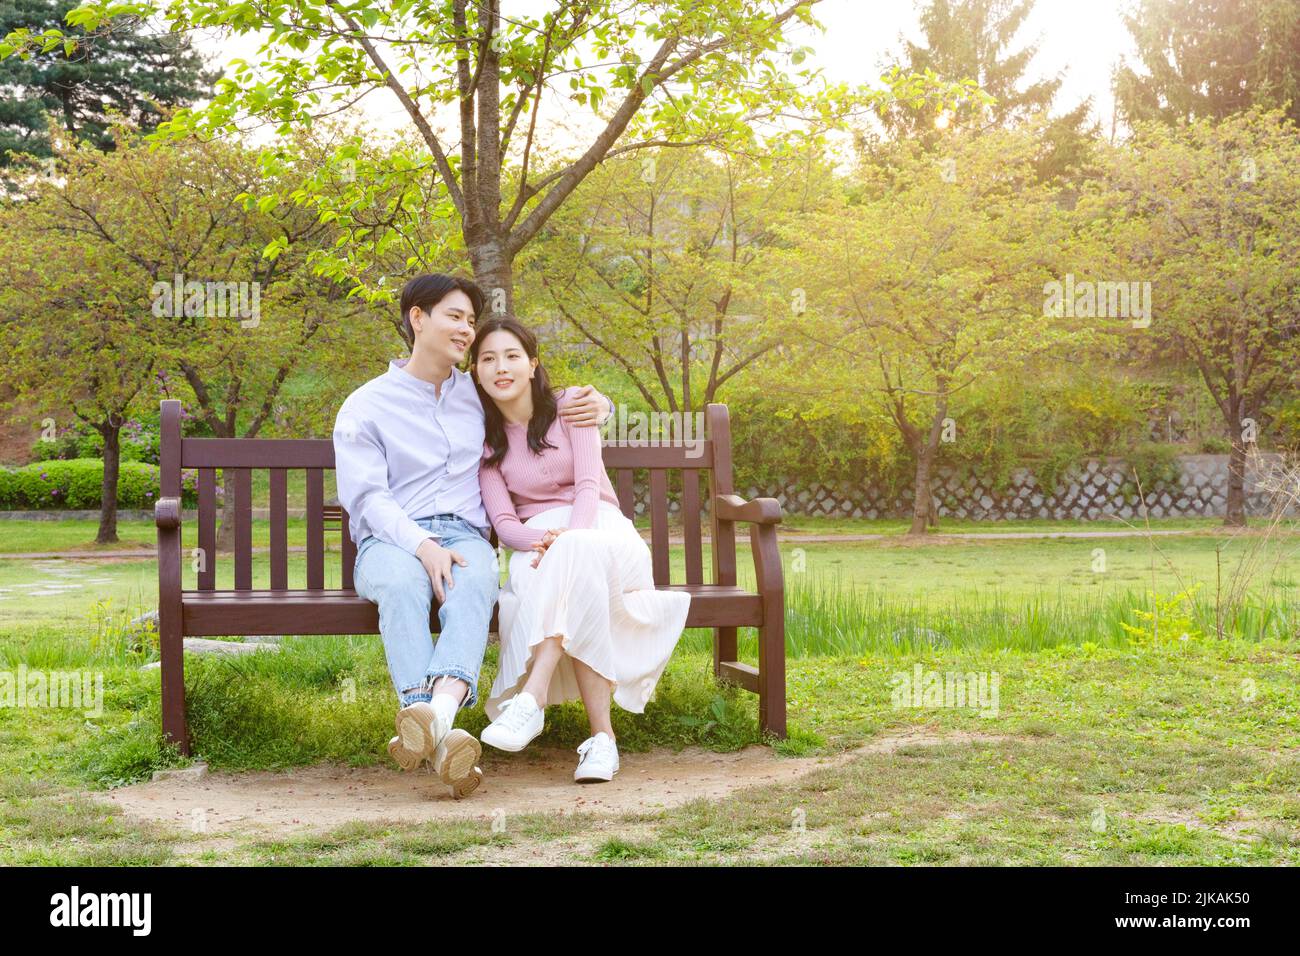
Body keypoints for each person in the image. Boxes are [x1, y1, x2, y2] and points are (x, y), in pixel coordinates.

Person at [332, 274, 613, 799]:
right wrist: (421, 545)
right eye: (454, 317)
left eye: (469, 320)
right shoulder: (366, 405)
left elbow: (541, 400)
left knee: (477, 578)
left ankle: (432, 719)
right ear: (418, 318)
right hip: (391, 541)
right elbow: (367, 498)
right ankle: (442, 734)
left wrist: (603, 407)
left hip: (464, 536)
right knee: (401, 587)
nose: (466, 330)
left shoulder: (477, 392)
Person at [472, 316, 691, 783]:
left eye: (512, 355)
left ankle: (530, 699)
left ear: (532, 363)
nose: (500, 367)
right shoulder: (485, 443)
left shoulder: (572, 406)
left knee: (581, 554)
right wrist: (548, 541)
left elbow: (589, 483)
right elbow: (507, 525)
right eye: (488, 358)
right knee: (577, 571)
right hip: (537, 551)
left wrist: (571, 537)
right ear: (475, 371)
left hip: (606, 534)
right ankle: (602, 742)